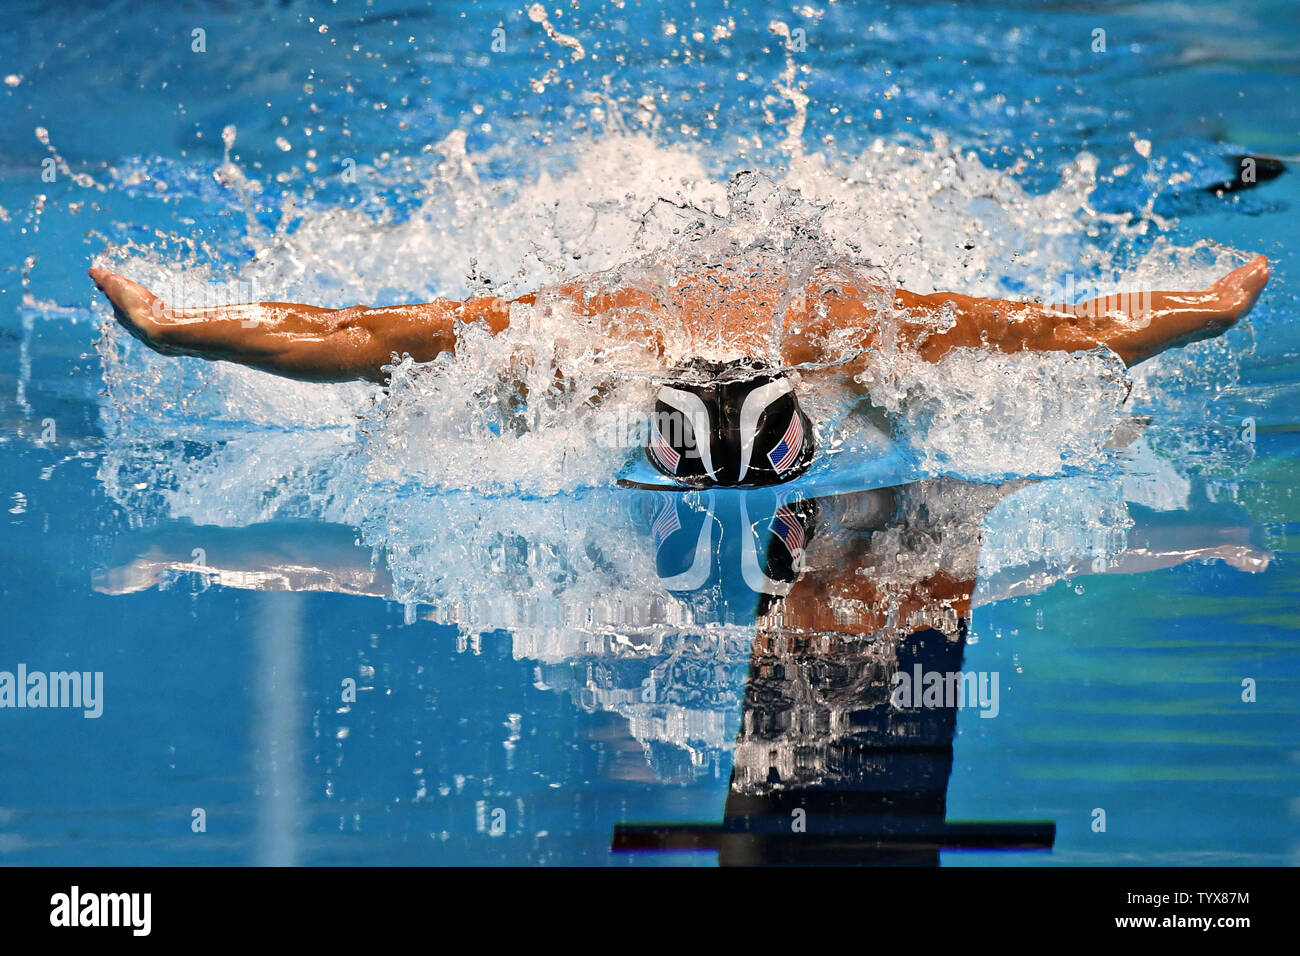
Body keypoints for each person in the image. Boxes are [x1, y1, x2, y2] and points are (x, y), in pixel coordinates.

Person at [88, 251, 1269, 486]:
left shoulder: (862, 334)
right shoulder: (564, 344)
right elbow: (354, 337)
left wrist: (1204, 311)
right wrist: (178, 325)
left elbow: (1064, 327)